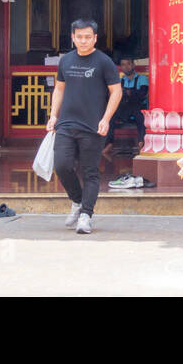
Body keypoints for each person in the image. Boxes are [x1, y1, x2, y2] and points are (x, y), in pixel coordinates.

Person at [47, 18, 121, 235]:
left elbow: (116, 91)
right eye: (79, 37)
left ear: (95, 38)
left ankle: (86, 215)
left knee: (90, 172)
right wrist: (53, 116)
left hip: (93, 125)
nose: (83, 41)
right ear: (72, 37)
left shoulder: (104, 62)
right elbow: (59, 89)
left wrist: (106, 118)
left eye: (88, 37)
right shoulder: (66, 61)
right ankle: (78, 201)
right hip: (66, 124)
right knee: (61, 165)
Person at [104, 58, 148, 156]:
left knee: (141, 118)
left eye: (128, 64)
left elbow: (142, 93)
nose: (126, 67)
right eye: (123, 65)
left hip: (138, 107)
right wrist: (129, 93)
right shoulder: (120, 80)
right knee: (111, 117)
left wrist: (126, 92)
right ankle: (109, 143)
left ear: (133, 65)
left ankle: (141, 143)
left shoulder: (142, 79)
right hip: (124, 108)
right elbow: (113, 94)